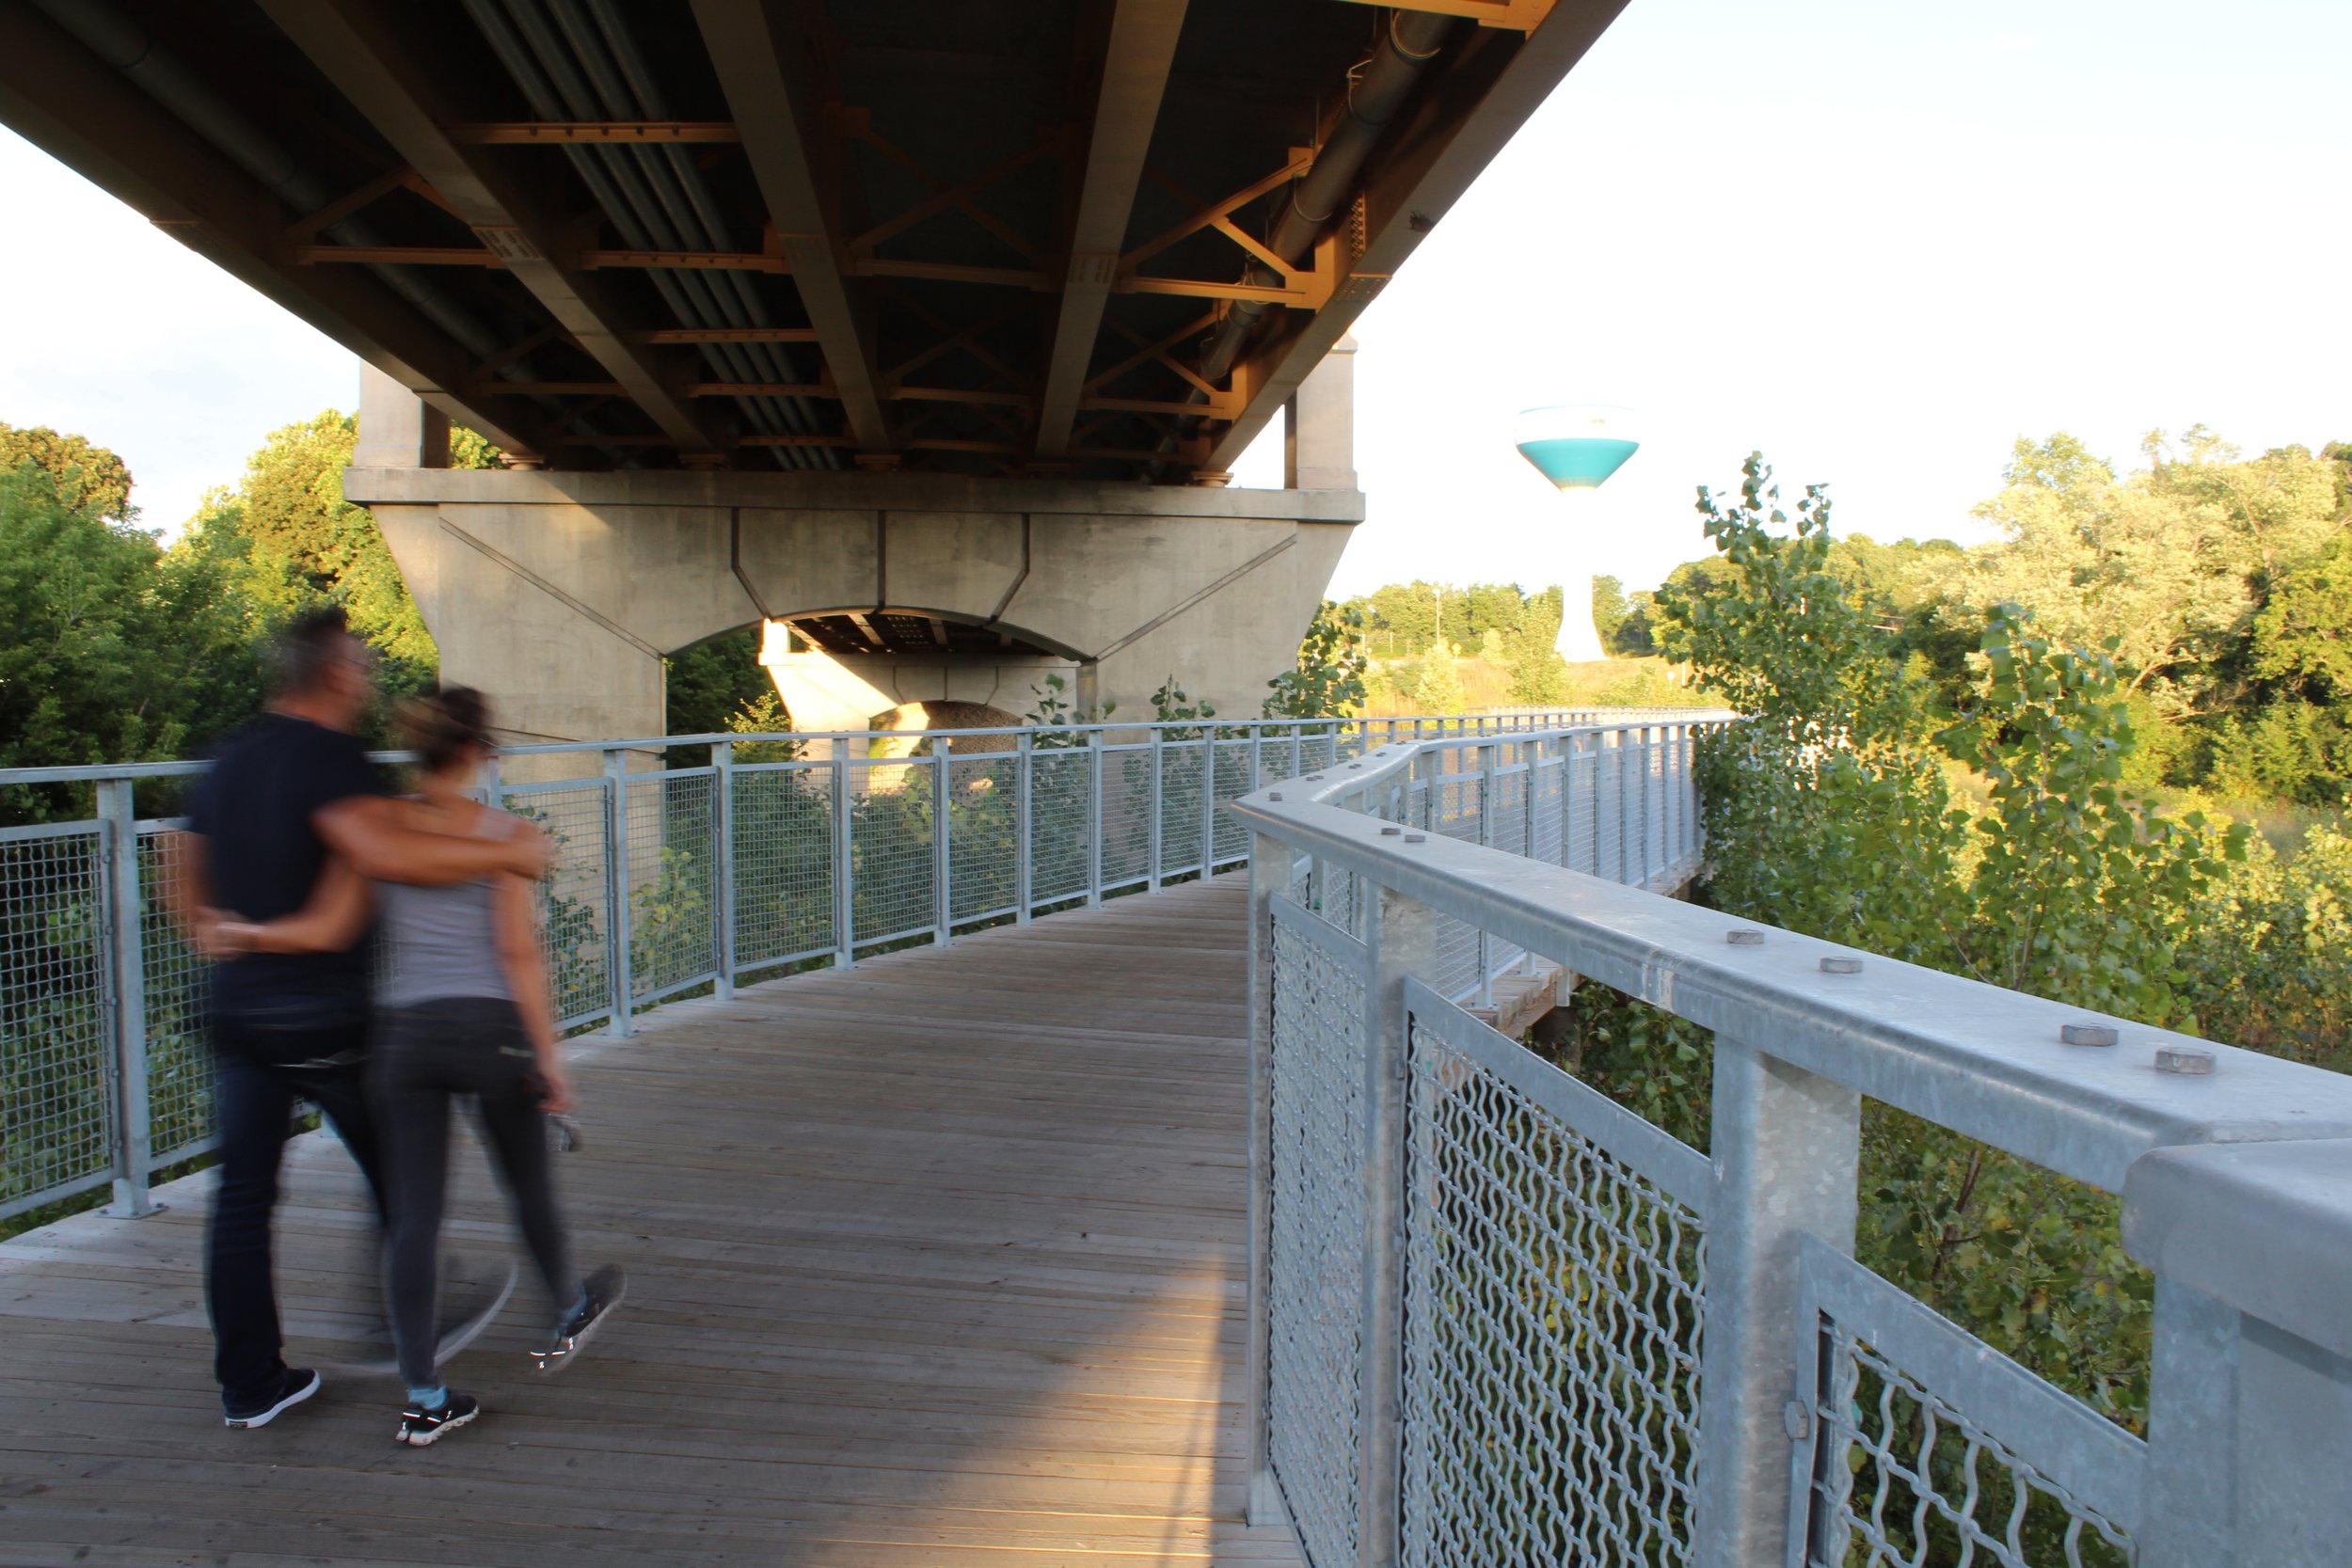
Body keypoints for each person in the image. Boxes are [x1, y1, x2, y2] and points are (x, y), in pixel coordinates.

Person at [213, 688, 623, 1447]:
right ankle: (566, 1310)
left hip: (402, 1037)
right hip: (487, 1029)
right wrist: (549, 1057)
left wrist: (247, 933)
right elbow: (517, 953)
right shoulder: (504, 835)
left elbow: (330, 924)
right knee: (526, 1180)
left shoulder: (379, 829)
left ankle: (425, 1396)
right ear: (479, 752)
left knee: (414, 1218)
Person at [174, 608, 550, 1429]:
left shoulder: (225, 757)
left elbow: (184, 888)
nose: (371, 675)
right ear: (337, 674)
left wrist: (227, 932)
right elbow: (384, 861)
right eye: (364, 664)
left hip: (235, 1009)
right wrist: (508, 851)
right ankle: (405, 1319)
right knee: (403, 1173)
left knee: (241, 1199)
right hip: (320, 1015)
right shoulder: (333, 760)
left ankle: (252, 1385)